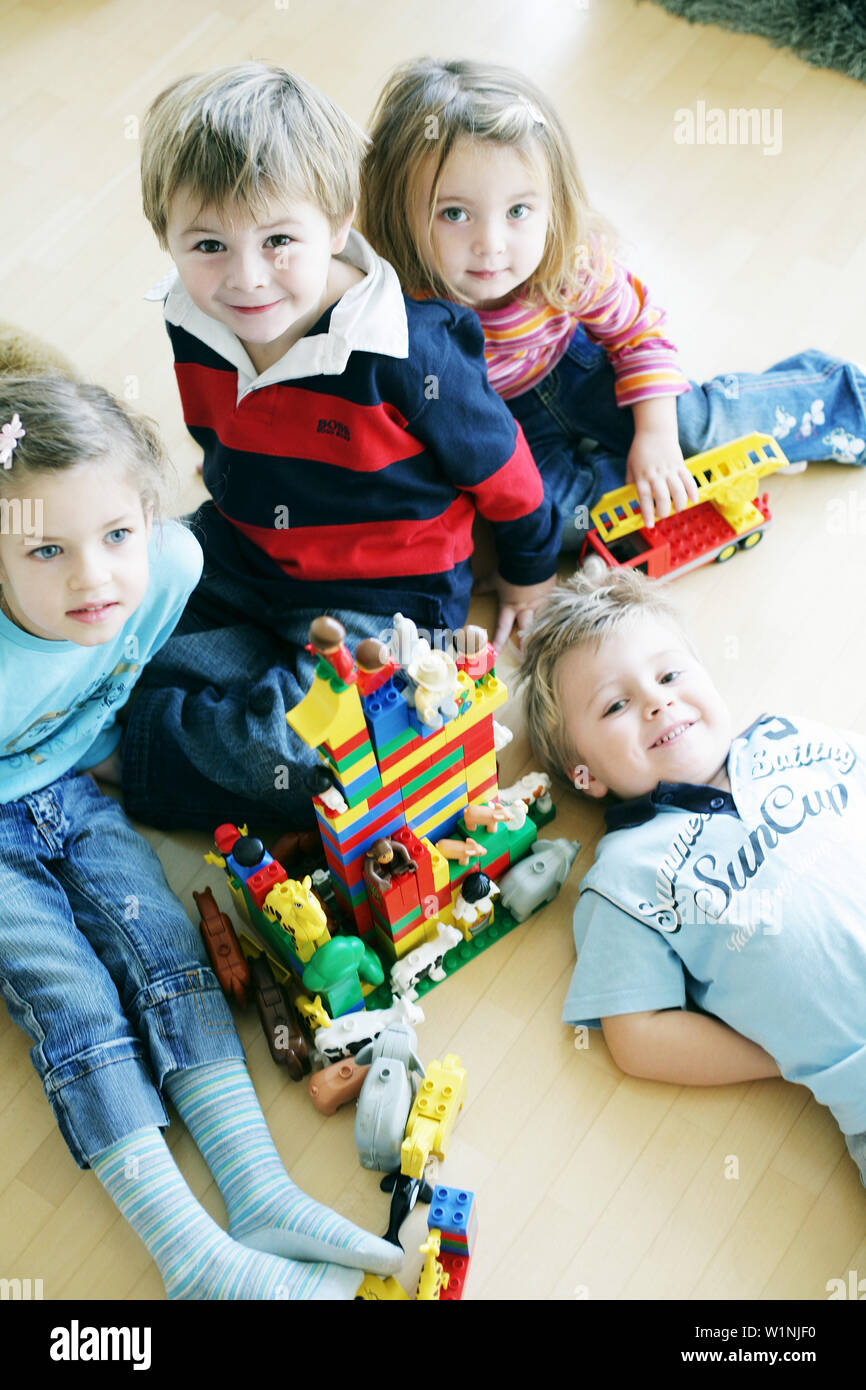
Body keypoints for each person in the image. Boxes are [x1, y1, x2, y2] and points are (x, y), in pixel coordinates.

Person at [0, 375, 402, 1299]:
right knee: (76, 1000)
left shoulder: (172, 566)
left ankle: (257, 1189)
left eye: (115, 537)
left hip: (74, 785)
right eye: (47, 550)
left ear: (147, 516)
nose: (93, 578)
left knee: (172, 953)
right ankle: (192, 1256)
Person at [121, 61, 560, 834]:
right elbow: (212, 434)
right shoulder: (188, 312)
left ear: (337, 219)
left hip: (384, 595)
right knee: (105, 606)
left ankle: (137, 751)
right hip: (243, 553)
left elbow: (505, 471)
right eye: (209, 244)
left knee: (340, 756)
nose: (247, 278)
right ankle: (236, 696)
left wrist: (527, 576)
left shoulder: (406, 347)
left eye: (281, 240)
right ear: (165, 233)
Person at [358, 58, 866, 544]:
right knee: (553, 518)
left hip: (580, 369)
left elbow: (639, 335)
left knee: (696, 427)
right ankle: (666, 476)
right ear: (399, 211)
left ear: (553, 204)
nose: (491, 243)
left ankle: (845, 398)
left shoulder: (569, 263)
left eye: (517, 210)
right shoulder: (397, 302)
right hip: (504, 422)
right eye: (454, 214)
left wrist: (657, 436)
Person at [516, 567, 866, 1185]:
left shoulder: (789, 739)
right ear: (585, 776)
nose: (657, 699)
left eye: (671, 674)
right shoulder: (627, 874)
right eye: (616, 705)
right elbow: (638, 1036)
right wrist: (781, 1054)